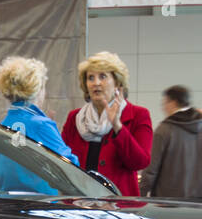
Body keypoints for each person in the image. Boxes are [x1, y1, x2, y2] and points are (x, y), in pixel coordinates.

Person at [61, 51, 152, 195]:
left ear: (117, 83)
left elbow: (140, 162)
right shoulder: (74, 117)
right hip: (80, 201)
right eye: (91, 78)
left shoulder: (138, 114)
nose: (96, 83)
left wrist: (117, 126)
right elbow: (62, 160)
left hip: (118, 203)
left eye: (102, 76)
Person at [0, 56, 76, 194]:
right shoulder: (41, 124)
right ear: (38, 90)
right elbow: (71, 167)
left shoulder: (3, 125)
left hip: (7, 201)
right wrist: (48, 129)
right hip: (39, 202)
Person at [139, 85, 202, 202]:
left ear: (172, 102)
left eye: (164, 103)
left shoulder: (165, 130)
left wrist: (140, 197)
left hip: (174, 202)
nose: (163, 108)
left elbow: (151, 170)